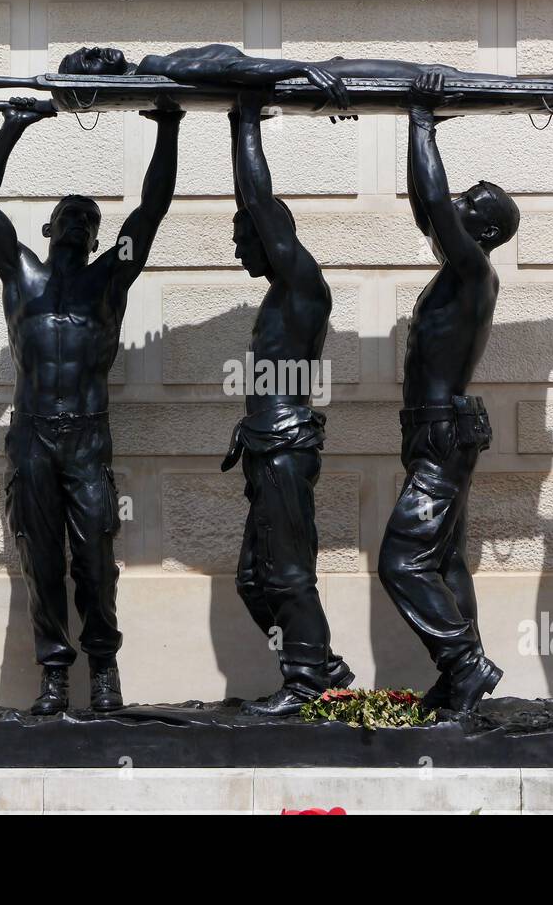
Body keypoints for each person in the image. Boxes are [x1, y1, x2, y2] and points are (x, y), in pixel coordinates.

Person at [0, 96, 181, 715]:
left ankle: (104, 669)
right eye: (70, 213)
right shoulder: (19, 277)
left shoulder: (111, 279)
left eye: (90, 217)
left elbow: (153, 207)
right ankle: (55, 676)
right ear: (49, 228)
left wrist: (167, 125)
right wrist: (13, 127)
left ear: (97, 236)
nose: (82, 221)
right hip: (32, 436)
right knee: (40, 560)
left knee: (93, 558)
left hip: (87, 438)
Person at [378, 71, 519, 715]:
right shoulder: (456, 271)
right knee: (446, 561)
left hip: (442, 431)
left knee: (402, 563)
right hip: (435, 431)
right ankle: (463, 681)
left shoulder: (473, 272)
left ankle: (464, 661)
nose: (452, 206)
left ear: (482, 231)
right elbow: (424, 201)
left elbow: (434, 204)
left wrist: (424, 117)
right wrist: (418, 119)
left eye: (467, 203)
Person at [222, 90, 353, 717]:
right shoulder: (281, 292)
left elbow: (259, 202)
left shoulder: (302, 283)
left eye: (243, 236)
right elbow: (254, 210)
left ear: (273, 239)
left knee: (287, 573)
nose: (237, 247)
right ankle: (318, 664)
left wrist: (245, 121)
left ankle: (307, 684)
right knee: (253, 580)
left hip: (284, 446)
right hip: (265, 446)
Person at [56, 32, 553, 112]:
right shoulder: (157, 66)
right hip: (312, 75)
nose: (94, 50)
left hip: (313, 76)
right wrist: (302, 68)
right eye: (86, 60)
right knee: (436, 78)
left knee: (438, 78)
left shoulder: (162, 72)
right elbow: (233, 71)